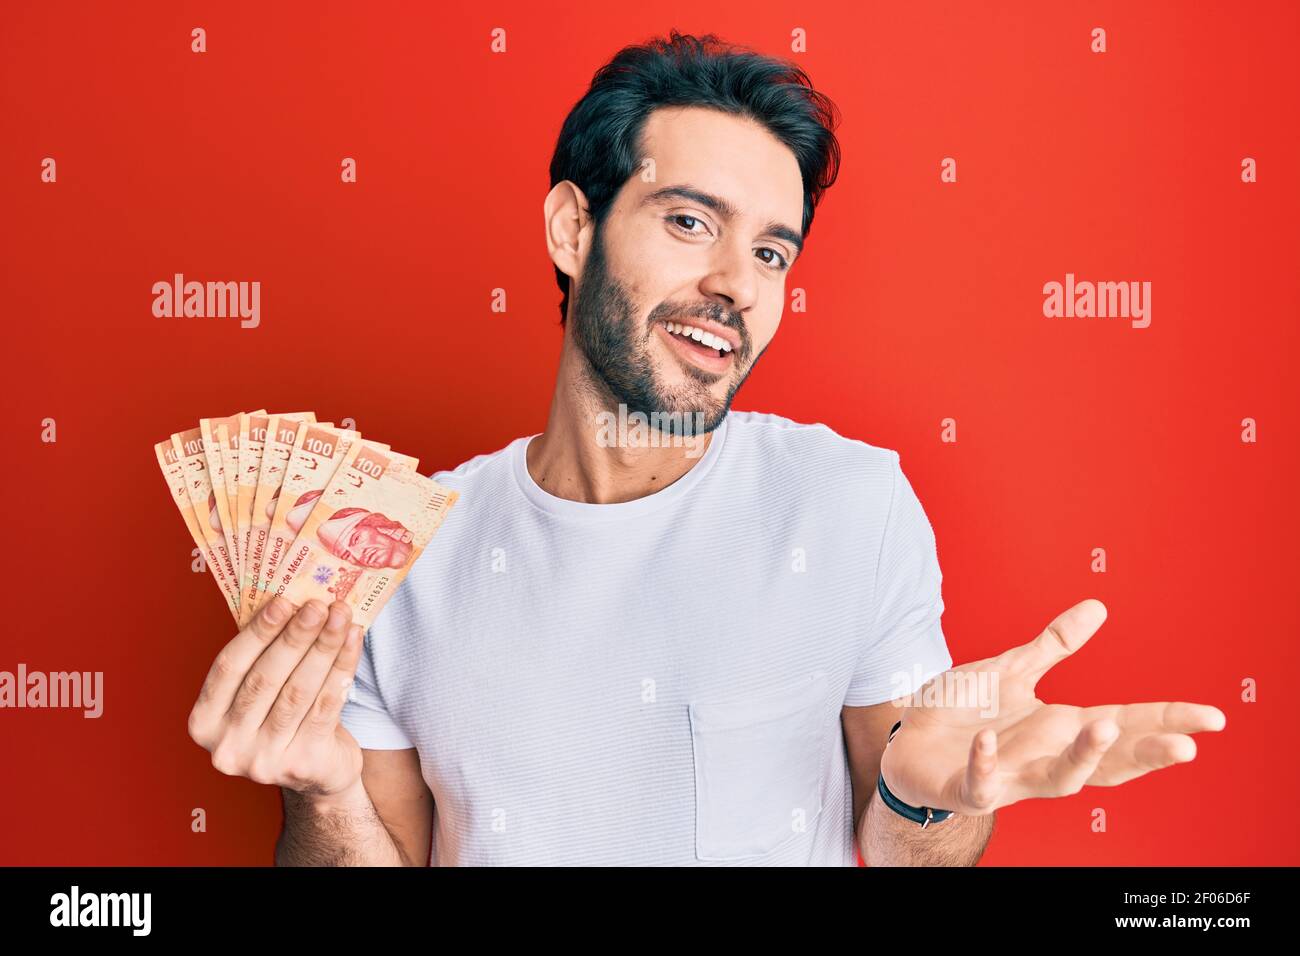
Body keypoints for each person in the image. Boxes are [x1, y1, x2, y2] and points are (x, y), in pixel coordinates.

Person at [186, 31, 1225, 866]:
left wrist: (924, 792)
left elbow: (909, 847)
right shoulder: (401, 551)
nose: (738, 280)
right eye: (690, 221)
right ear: (570, 228)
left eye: (772, 248)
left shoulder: (849, 504)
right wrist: (319, 792)